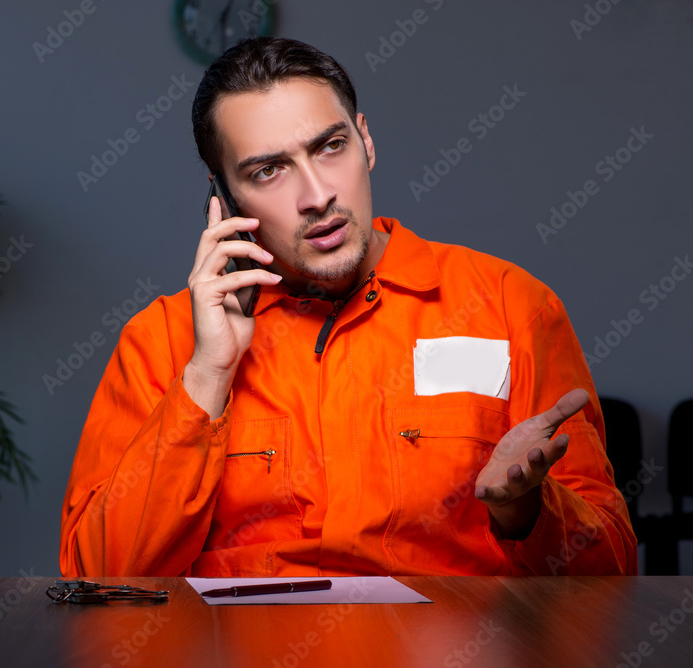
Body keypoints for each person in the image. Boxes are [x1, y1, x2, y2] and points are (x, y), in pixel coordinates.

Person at [59, 37, 637, 577]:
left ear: (366, 140)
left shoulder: (511, 306)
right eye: (269, 170)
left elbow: (613, 572)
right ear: (224, 195)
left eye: (330, 146)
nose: (317, 196)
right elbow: (99, 579)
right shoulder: (160, 340)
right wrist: (207, 377)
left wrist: (528, 513)